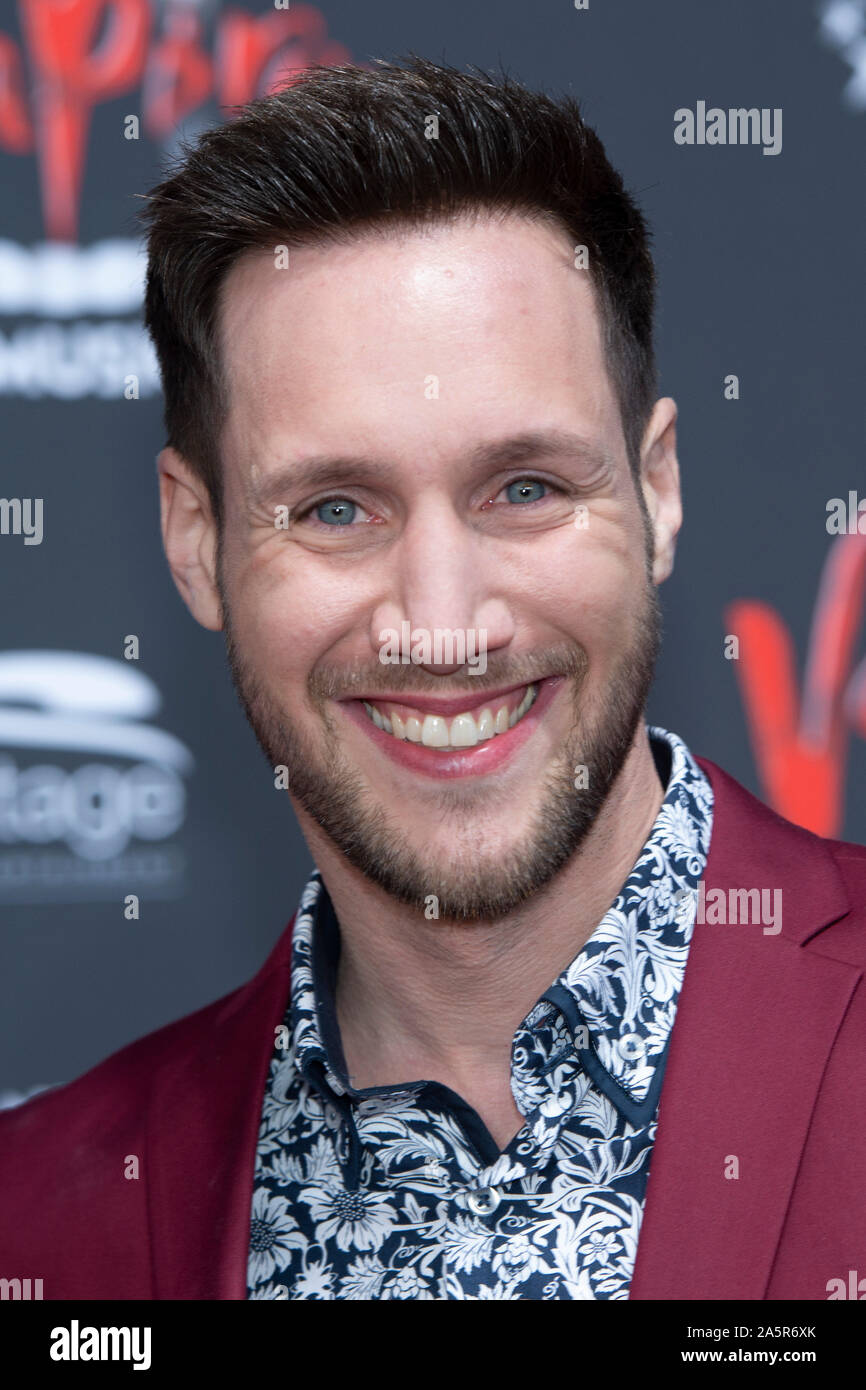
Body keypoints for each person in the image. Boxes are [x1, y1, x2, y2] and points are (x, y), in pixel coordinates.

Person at [1, 55, 864, 1302]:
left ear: (658, 490)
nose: (440, 623)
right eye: (337, 508)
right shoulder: (42, 1227)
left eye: (523, 488)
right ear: (197, 542)